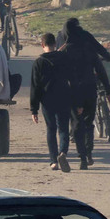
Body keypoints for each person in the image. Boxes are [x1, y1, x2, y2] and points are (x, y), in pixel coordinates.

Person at [57, 18, 110, 169]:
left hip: (74, 92)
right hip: (90, 90)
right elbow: (100, 70)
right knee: (89, 124)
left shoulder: (64, 51)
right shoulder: (89, 49)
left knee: (77, 125)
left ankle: (82, 158)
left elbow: (58, 75)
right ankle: (88, 154)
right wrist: (108, 91)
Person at [29, 33, 77, 172]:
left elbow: (35, 87)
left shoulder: (38, 62)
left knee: (51, 129)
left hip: (47, 100)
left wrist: (34, 109)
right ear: (55, 44)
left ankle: (53, 161)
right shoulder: (64, 58)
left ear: (42, 45)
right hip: (64, 97)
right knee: (63, 128)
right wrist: (77, 101)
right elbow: (73, 80)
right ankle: (63, 153)